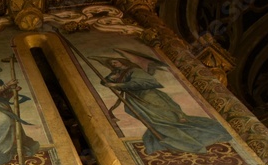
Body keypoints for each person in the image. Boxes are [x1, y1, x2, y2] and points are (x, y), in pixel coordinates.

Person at [99, 55, 231, 153]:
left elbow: (146, 83)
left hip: (149, 97)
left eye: (115, 61)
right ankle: (179, 141)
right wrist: (111, 79)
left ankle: (190, 143)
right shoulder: (118, 74)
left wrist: (118, 84)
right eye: (111, 63)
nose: (114, 64)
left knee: (164, 120)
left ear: (122, 61)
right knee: (154, 122)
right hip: (135, 99)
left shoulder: (134, 70)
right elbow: (105, 82)